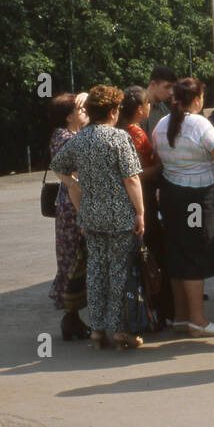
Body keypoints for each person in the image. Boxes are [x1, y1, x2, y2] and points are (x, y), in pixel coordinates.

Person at [49, 85, 146, 351]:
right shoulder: (118, 139)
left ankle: (97, 329)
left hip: (90, 216)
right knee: (118, 272)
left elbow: (58, 166)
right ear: (114, 111)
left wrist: (74, 188)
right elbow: (131, 178)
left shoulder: (79, 139)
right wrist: (140, 212)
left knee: (95, 272)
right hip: (119, 217)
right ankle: (119, 330)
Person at [152, 77, 214, 337]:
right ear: (197, 99)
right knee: (195, 255)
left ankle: (180, 316)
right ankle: (198, 321)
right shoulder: (199, 124)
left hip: (172, 195)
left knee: (177, 255)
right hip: (198, 199)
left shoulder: (161, 124)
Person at [116, 86, 165, 326]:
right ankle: (149, 309)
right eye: (147, 104)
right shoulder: (135, 134)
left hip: (122, 200)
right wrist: (160, 167)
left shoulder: (117, 131)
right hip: (141, 196)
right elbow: (136, 172)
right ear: (139, 109)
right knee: (147, 253)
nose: (149, 108)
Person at [47, 92, 91, 340]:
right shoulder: (64, 138)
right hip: (73, 205)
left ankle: (73, 319)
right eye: (80, 108)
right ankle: (71, 317)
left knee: (76, 259)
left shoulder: (69, 135)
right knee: (74, 260)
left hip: (74, 202)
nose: (85, 111)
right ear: (68, 116)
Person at [143, 65, 177, 138]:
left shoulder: (164, 110)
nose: (171, 92)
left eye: (172, 88)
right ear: (153, 84)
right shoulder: (134, 105)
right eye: (167, 87)